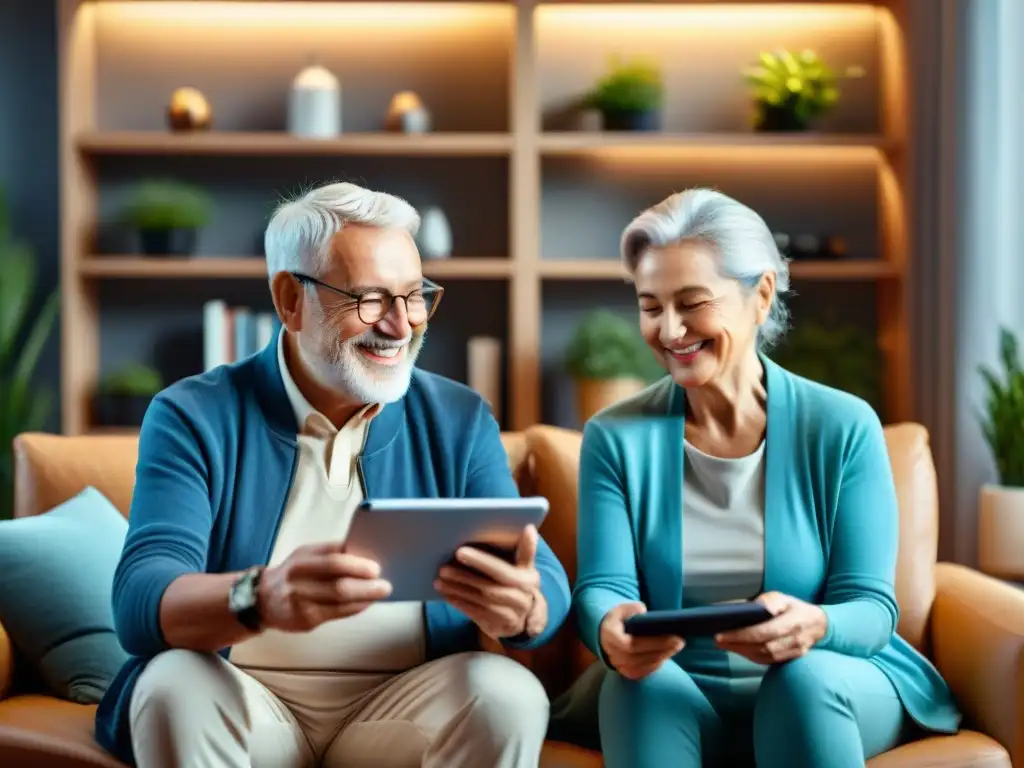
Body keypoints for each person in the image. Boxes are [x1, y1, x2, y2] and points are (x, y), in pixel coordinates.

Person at [93, 181, 571, 768]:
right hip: (245, 702)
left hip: (400, 711)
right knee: (172, 684)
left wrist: (526, 609)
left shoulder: (458, 418)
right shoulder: (194, 413)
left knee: (508, 694)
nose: (401, 325)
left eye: (414, 295)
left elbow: (539, 571)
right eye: (369, 298)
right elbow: (142, 596)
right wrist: (262, 596)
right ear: (290, 300)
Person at [568, 188, 961, 767]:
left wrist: (816, 625)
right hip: (679, 694)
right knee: (637, 685)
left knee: (799, 682)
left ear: (761, 295)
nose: (671, 330)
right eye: (651, 307)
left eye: (692, 302)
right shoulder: (614, 436)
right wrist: (609, 626)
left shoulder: (843, 425)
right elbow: (603, 587)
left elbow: (873, 608)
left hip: (824, 686)